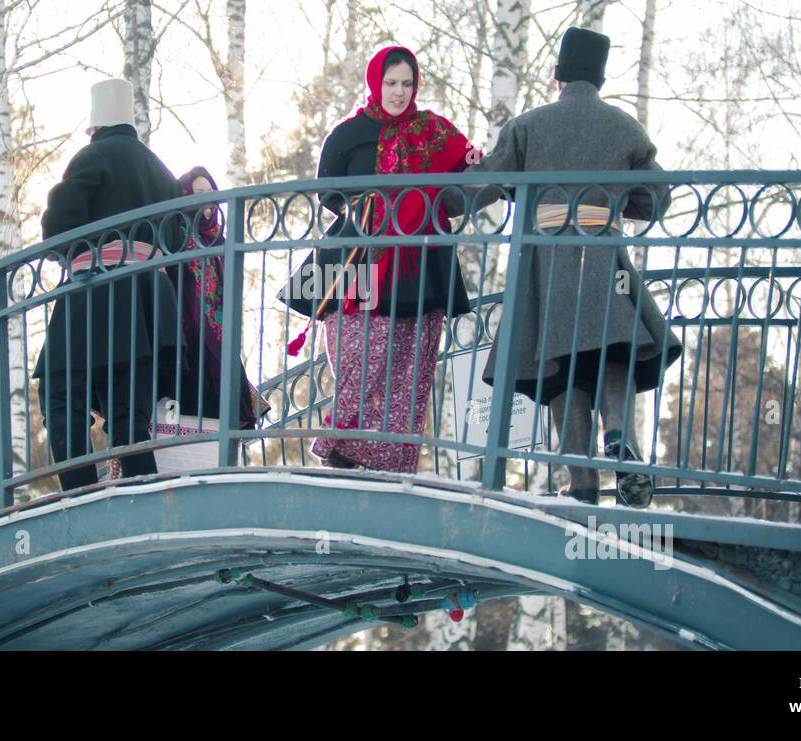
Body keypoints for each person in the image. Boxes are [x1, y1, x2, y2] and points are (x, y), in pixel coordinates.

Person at [478, 27, 682, 507]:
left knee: (558, 368)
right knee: (615, 348)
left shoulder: (528, 126)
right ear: (601, 78)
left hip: (546, 265)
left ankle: (583, 484)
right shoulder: (624, 127)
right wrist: (614, 205)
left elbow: (483, 183)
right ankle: (619, 434)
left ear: (558, 75)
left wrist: (437, 196)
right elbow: (656, 200)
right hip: (603, 254)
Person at [281, 45, 477, 474]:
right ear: (375, 82)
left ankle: (387, 465)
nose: (399, 92)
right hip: (358, 258)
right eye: (391, 83)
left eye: (407, 83)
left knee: (410, 368)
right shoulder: (348, 134)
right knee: (360, 363)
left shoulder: (434, 132)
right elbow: (327, 190)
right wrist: (371, 208)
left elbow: (467, 179)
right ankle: (340, 453)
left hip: (420, 266)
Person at [35, 78, 186, 489]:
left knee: (62, 392)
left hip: (97, 292)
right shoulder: (160, 168)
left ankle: (80, 490)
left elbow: (57, 227)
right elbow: (176, 237)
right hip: (153, 300)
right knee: (129, 411)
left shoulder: (93, 157)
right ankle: (141, 492)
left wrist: (73, 252)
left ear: (95, 127)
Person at [173, 166, 270, 428]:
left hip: (219, 329)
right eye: (198, 192)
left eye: (210, 192)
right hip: (189, 332)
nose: (206, 199)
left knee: (227, 396)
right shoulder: (176, 234)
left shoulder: (219, 238)